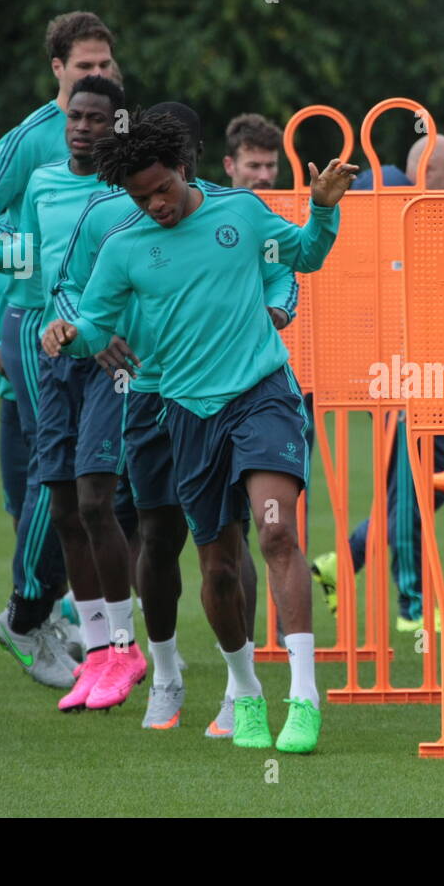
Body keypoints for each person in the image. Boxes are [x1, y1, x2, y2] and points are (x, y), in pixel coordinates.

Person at [43, 111, 357, 753]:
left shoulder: (239, 213)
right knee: (215, 566)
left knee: (275, 532)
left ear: (185, 169)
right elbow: (99, 330)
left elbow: (306, 255)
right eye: (140, 196)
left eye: (161, 188)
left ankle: (304, 698)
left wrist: (323, 211)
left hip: (261, 395)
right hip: (184, 413)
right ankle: (244, 691)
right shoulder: (124, 247)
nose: (154, 203)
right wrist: (71, 337)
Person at [0, 12, 118, 685]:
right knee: (55, 480)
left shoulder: (117, 131)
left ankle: (83, 621)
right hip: (36, 321)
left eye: (105, 65)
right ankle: (26, 618)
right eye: (84, 67)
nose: (97, 77)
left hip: (104, 323)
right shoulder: (30, 139)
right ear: (56, 68)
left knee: (100, 483)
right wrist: (38, 255)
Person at [18, 74, 145, 710]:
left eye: (97, 118)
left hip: (113, 358)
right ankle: (96, 653)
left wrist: (99, 332)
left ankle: (126, 646)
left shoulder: (128, 190)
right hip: (58, 356)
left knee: (99, 500)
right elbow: (48, 274)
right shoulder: (41, 183)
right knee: (64, 505)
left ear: (116, 125)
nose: (83, 126)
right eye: (76, 115)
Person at [310, 133, 444, 633]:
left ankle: (348, 557)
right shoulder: (383, 200)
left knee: (428, 475)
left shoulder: (402, 201)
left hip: (416, 360)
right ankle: (413, 605)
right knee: (417, 477)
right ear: (425, 170)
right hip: (395, 363)